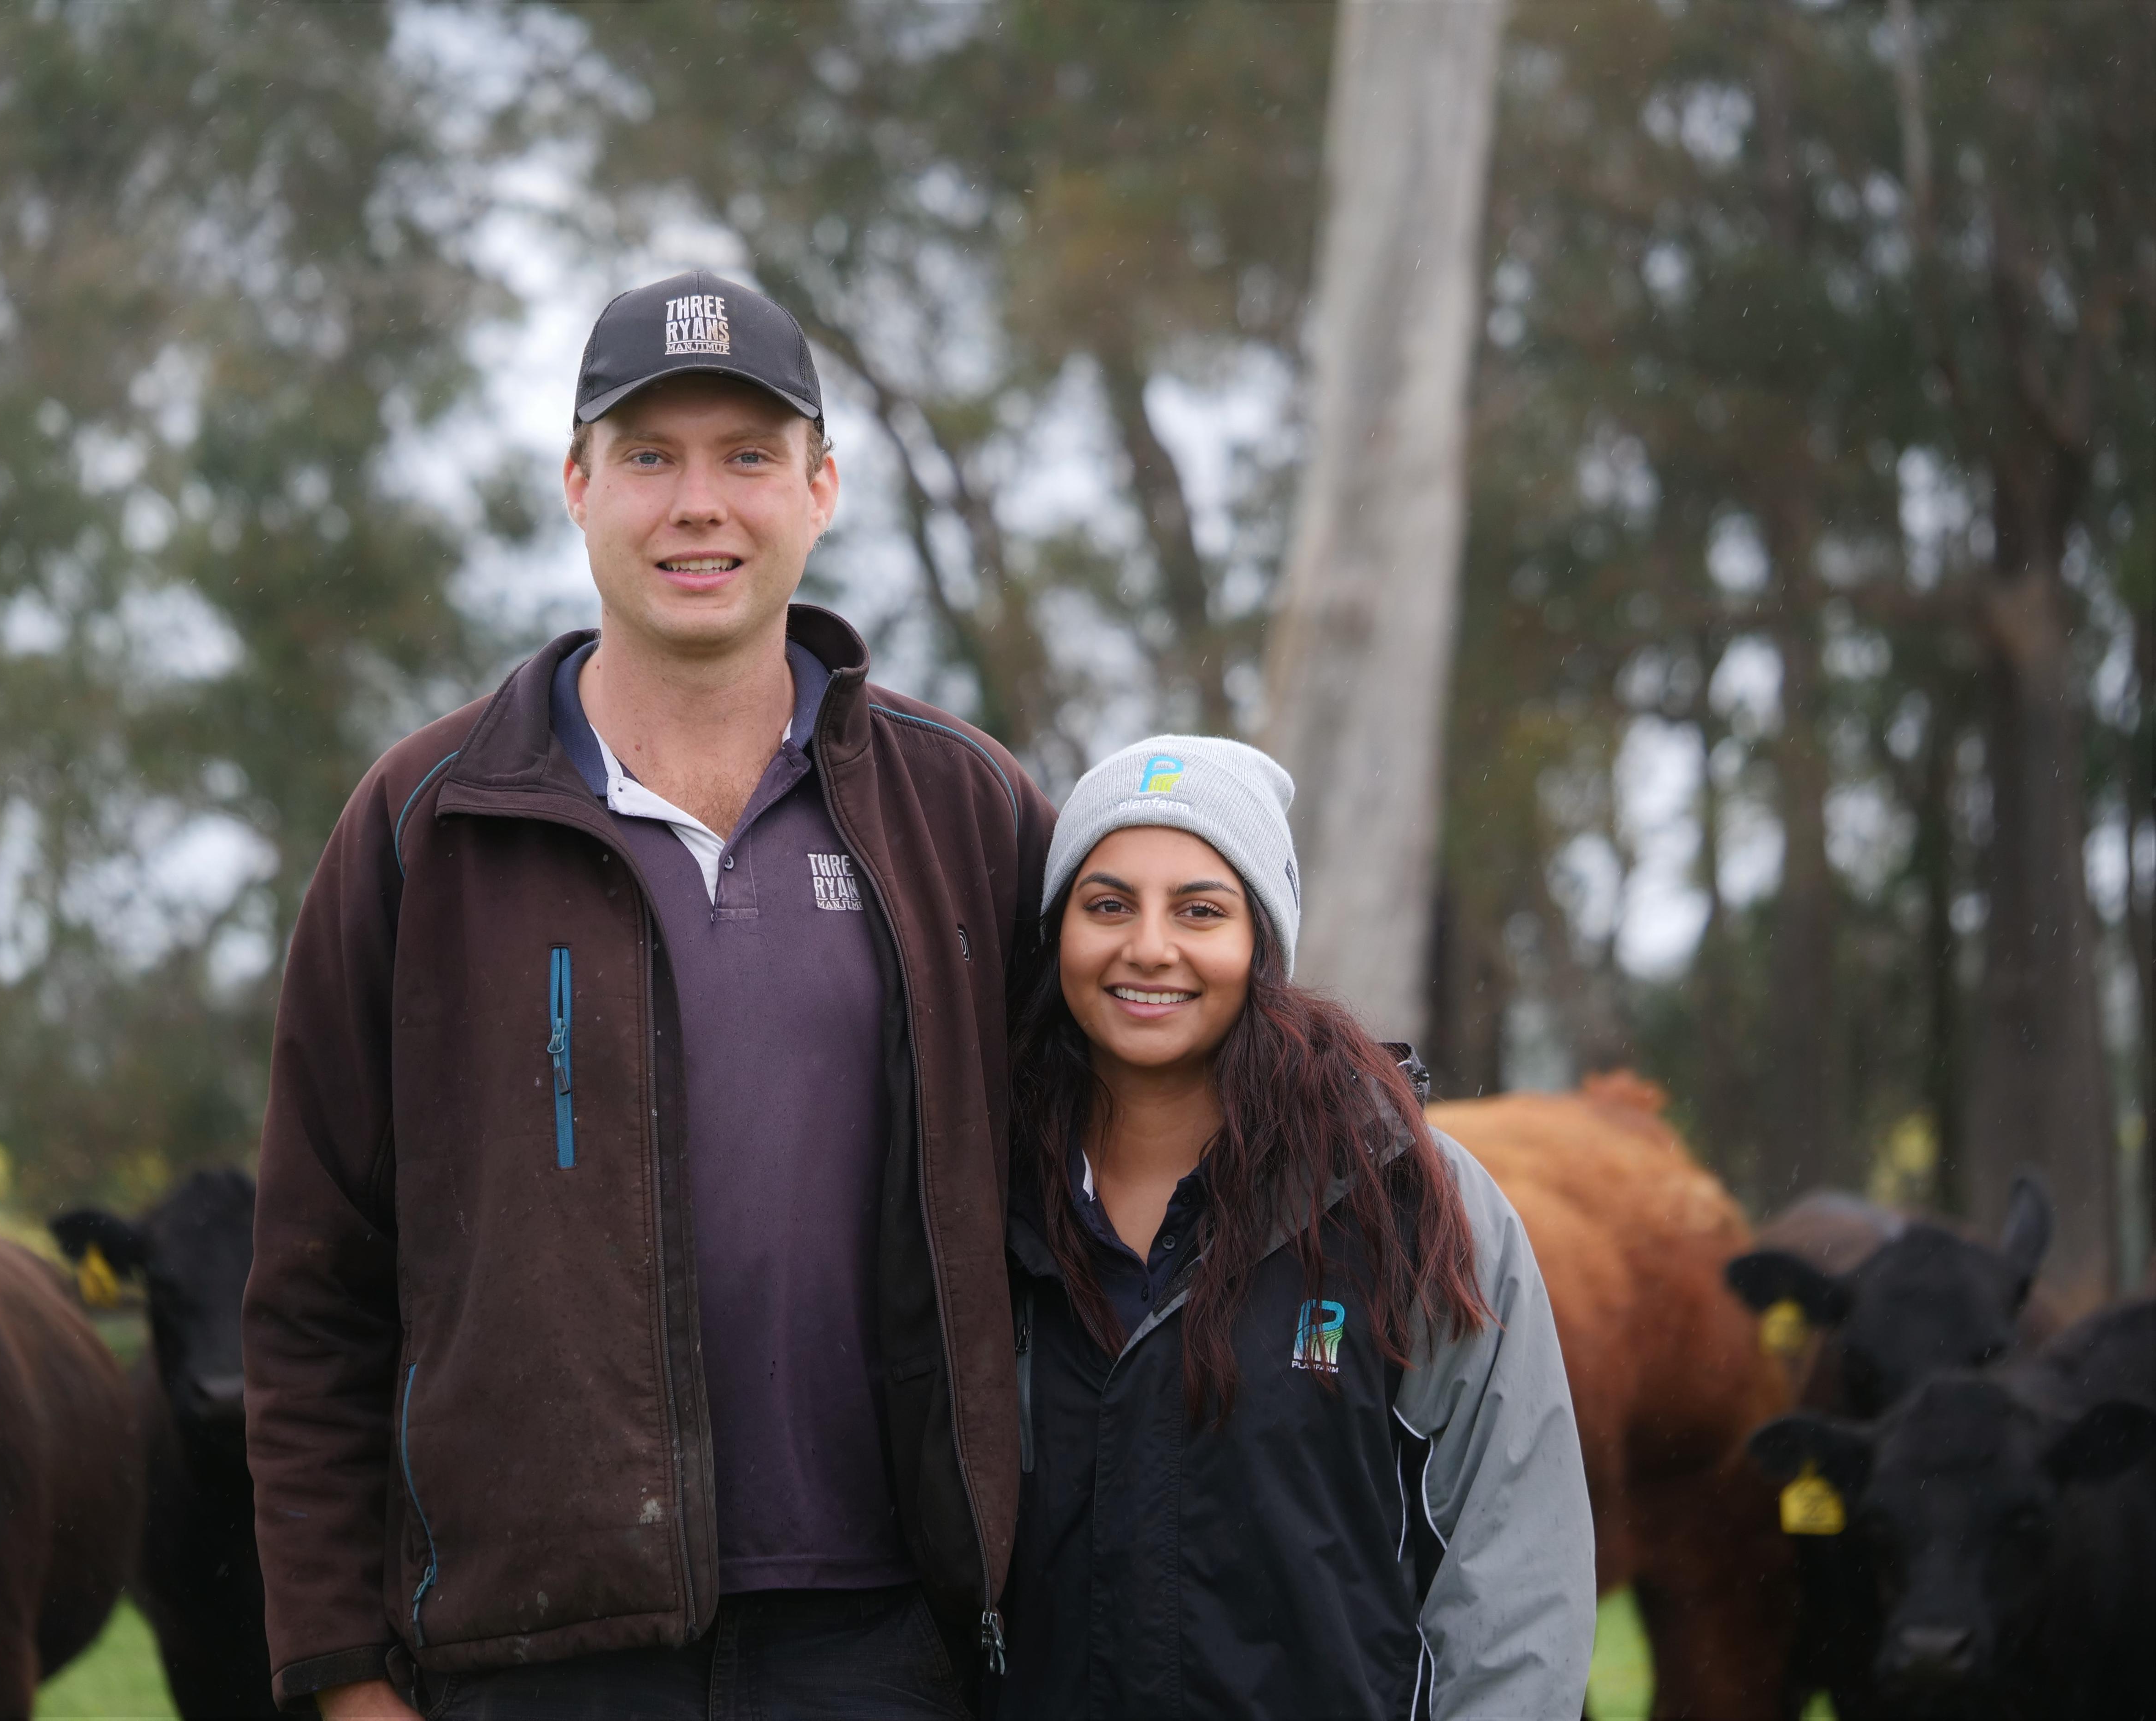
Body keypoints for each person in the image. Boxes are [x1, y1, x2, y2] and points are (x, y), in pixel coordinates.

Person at [242, 272, 1053, 1720]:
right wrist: (341, 1673)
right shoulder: (424, 820)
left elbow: (1113, 1172)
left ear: (822, 488)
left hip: (892, 1647)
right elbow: (314, 1287)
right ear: (576, 484)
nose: (701, 505)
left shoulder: (968, 807)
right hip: (533, 1655)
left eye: (748, 456)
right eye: (649, 456)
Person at [1000, 737, 1595, 1719]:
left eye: (1200, 910)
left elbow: (1513, 1572)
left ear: (1262, 944)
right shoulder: (977, 1192)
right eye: (1107, 905)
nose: (1148, 946)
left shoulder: (1410, 1202)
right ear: (1058, 930)